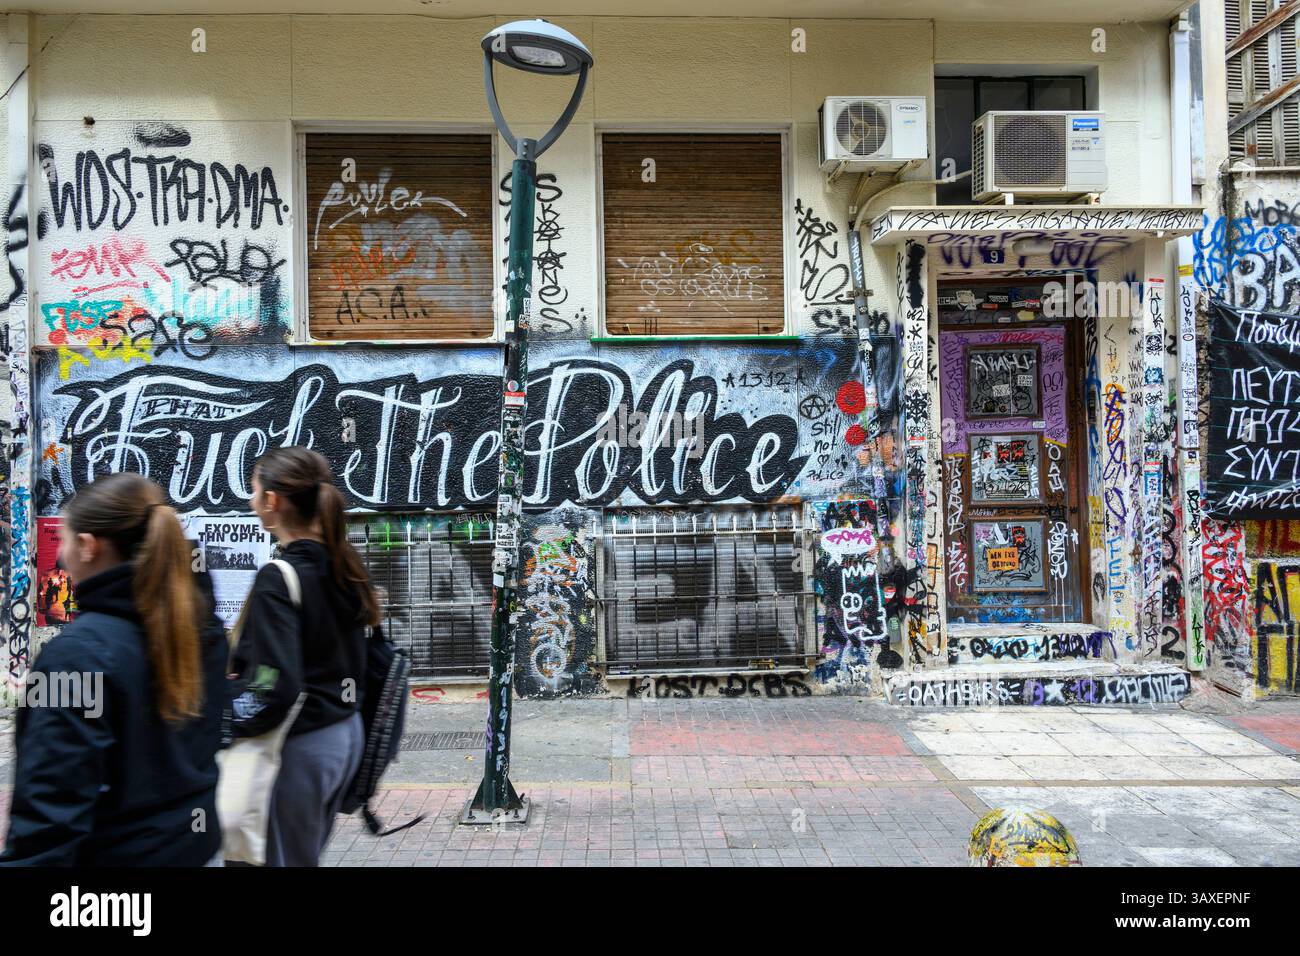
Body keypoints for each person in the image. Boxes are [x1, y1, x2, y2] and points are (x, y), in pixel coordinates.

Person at [0, 473, 228, 866]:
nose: (60, 555)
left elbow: (50, 811)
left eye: (66, 540)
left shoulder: (73, 658)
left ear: (88, 547)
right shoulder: (200, 628)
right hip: (194, 850)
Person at [230, 446, 378, 867]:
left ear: (273, 502)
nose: (250, 500)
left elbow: (272, 682)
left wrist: (226, 718)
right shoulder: (344, 566)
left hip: (300, 744)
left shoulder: (279, 577)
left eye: (254, 490)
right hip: (343, 736)